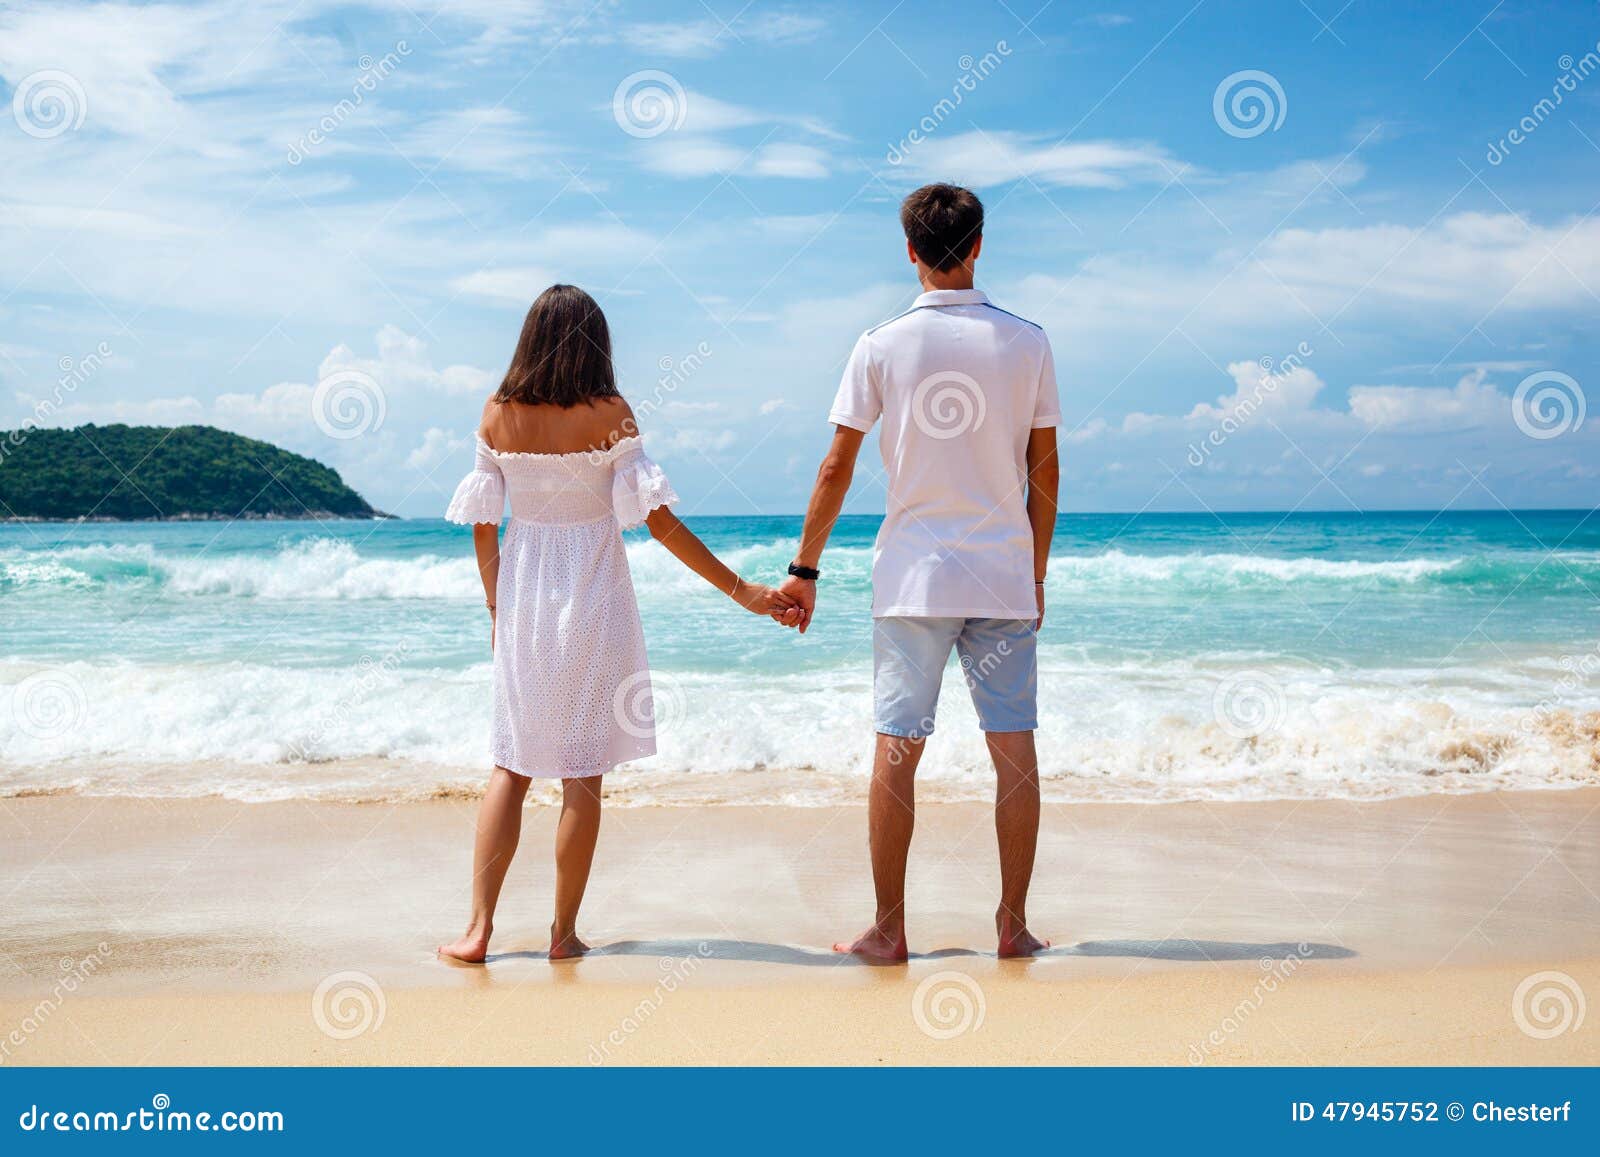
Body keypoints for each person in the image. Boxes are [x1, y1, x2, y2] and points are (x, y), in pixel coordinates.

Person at [439, 284, 798, 963]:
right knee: (582, 774)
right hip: (594, 600)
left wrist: (496, 608)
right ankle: (562, 934)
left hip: (523, 603)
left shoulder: (496, 413)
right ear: (595, 342)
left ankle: (478, 931)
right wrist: (741, 591)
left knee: (510, 766)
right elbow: (659, 522)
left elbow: (484, 529)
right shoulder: (610, 414)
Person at [775, 183, 1061, 961]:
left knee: (897, 748)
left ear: (909, 251)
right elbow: (1044, 471)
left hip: (913, 581)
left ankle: (889, 929)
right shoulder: (1027, 342)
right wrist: (1035, 573)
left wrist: (804, 568)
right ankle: (1012, 925)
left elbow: (836, 465)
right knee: (1014, 749)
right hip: (1002, 576)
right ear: (978, 245)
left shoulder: (881, 343)